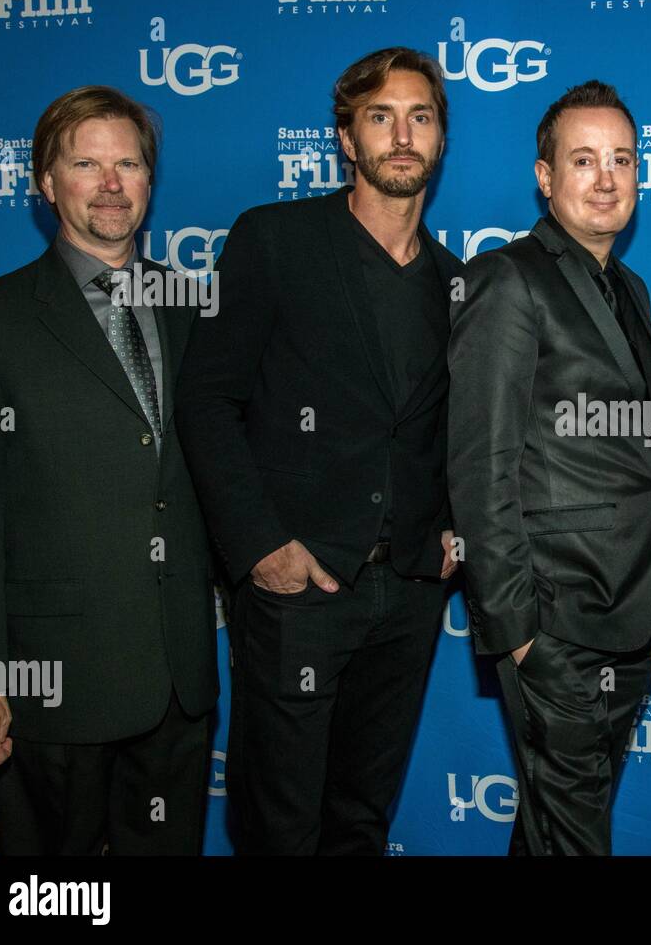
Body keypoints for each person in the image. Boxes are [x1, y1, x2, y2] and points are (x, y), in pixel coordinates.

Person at [175, 48, 461, 855]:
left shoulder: (457, 281)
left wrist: (449, 531)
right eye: (381, 117)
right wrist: (262, 547)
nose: (402, 135)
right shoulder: (273, 240)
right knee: (280, 826)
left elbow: (454, 430)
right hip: (298, 592)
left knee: (360, 822)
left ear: (441, 139)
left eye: (421, 116)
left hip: (406, 595)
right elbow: (206, 399)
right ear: (346, 138)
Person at [0, 85, 217, 854]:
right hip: (52, 687)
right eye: (86, 164)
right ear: (44, 183)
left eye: (128, 164)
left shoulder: (193, 305)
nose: (111, 183)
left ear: (148, 179)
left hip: (179, 679)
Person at [447, 80, 651, 856]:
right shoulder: (507, 280)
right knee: (576, 839)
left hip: (632, 612)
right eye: (584, 160)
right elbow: (480, 470)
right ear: (544, 176)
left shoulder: (630, 287)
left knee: (553, 832)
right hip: (555, 623)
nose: (607, 178)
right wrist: (518, 636)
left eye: (622, 159)